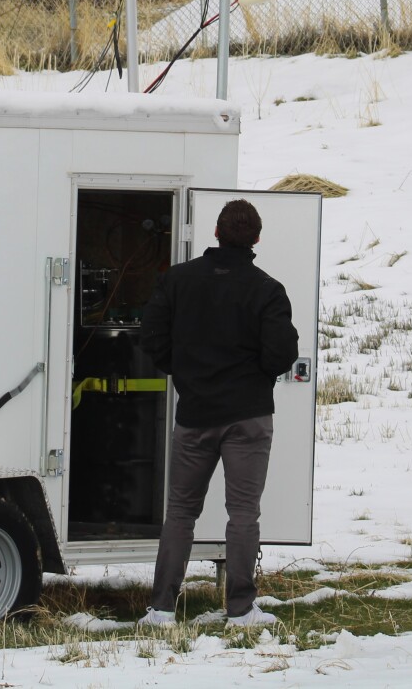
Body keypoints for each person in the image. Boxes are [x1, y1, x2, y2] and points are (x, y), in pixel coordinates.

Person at [138, 198, 299, 628]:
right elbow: (282, 353)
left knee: (181, 512)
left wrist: (184, 370)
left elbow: (151, 335)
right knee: (243, 513)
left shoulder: (177, 281)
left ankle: (161, 608)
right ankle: (241, 609)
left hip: (195, 415)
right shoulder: (268, 289)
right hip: (248, 416)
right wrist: (254, 376)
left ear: (215, 232)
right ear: (257, 238)